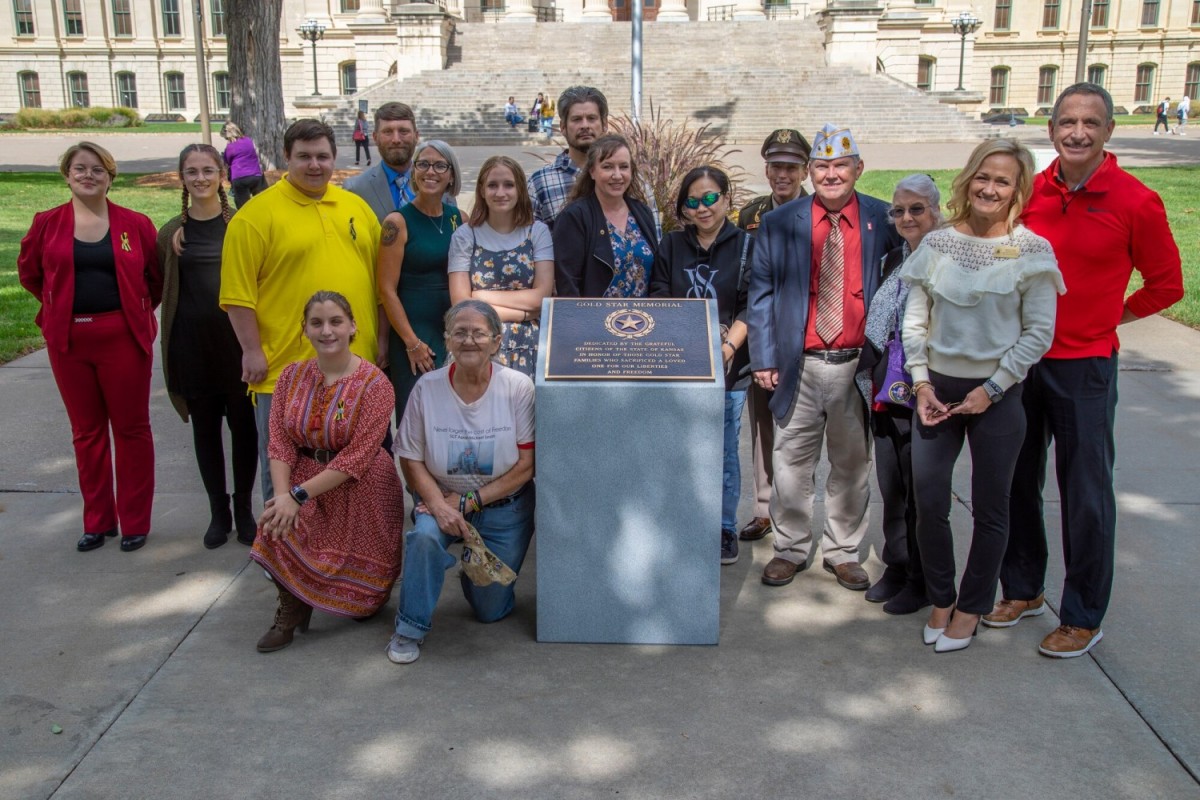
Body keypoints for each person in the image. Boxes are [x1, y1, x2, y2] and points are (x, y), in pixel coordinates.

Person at [990, 83, 1184, 658]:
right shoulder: (1029, 194)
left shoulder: (1135, 199)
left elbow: (1167, 284)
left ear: (1108, 131)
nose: (1077, 132)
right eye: (1067, 121)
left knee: (1085, 493)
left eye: (1091, 122)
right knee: (1017, 482)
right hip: (1020, 364)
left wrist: (1108, 316)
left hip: (1085, 367)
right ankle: (1022, 589)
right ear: (1050, 130)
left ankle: (1081, 615)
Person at [901, 138, 1064, 654]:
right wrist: (922, 381)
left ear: (1018, 190)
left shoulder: (1033, 251)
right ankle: (943, 599)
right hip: (936, 391)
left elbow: (1038, 333)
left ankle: (971, 608)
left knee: (993, 509)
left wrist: (992, 389)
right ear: (969, 179)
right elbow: (914, 320)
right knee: (929, 501)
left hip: (997, 395)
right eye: (983, 177)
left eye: (1003, 180)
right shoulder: (938, 244)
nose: (990, 188)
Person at [747, 123, 900, 591]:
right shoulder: (780, 221)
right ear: (811, 171)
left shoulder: (883, 220)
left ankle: (842, 550)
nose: (831, 175)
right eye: (822, 166)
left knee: (852, 463)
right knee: (792, 460)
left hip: (857, 364)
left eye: (840, 166)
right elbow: (761, 293)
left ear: (858, 168)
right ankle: (790, 547)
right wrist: (764, 357)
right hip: (801, 362)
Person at [221, 119, 383, 503]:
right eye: (304, 157)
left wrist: (383, 341)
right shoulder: (254, 217)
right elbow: (236, 295)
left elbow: (379, 284)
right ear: (285, 158)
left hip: (355, 369)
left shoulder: (355, 207)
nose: (315, 165)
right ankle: (282, 557)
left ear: (334, 158)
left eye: (323, 156)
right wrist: (251, 350)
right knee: (284, 471)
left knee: (356, 472)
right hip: (283, 371)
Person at [17, 141, 162, 552]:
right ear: (66, 175)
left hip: (123, 339)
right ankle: (98, 521)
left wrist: (132, 311)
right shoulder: (47, 223)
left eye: (97, 169)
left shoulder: (135, 224)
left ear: (110, 177)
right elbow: (30, 273)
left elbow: (154, 278)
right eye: (79, 169)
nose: (88, 175)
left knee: (132, 430)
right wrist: (58, 306)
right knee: (86, 432)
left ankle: (134, 521)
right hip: (69, 341)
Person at [252, 291, 404, 653]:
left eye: (336, 321)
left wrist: (297, 496)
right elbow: (279, 443)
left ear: (353, 326)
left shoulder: (375, 384)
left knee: (364, 605)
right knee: (274, 523)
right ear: (304, 329)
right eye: (316, 323)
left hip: (362, 485)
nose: (327, 331)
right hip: (303, 474)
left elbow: (358, 457)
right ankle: (293, 606)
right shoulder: (290, 376)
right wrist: (283, 496)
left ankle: (351, 593)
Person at [387, 299, 536, 665]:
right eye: (460, 333)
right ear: (447, 341)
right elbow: (411, 456)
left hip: (502, 504)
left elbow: (525, 466)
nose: (469, 341)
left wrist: (466, 502)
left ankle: (472, 572)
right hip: (442, 497)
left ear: (497, 342)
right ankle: (409, 627)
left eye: (479, 333)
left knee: (490, 610)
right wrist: (437, 504)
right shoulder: (427, 387)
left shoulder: (518, 387)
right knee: (423, 537)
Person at [157, 143, 258, 549]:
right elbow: (158, 283)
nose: (200, 178)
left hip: (236, 347)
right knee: (206, 431)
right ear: (182, 178)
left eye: (208, 170)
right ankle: (219, 512)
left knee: (244, 430)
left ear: (222, 175)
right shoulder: (170, 234)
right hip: (191, 347)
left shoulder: (243, 224)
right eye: (192, 171)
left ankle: (244, 509)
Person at [650, 167, 752, 566]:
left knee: (724, 451)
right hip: (679, 366)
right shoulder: (671, 246)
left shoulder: (746, 245)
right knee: (678, 449)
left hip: (729, 369)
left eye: (710, 197)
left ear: (727, 198)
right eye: (693, 201)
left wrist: (727, 347)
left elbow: (752, 304)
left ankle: (724, 528)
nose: (703, 207)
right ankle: (683, 521)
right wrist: (684, 340)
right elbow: (658, 293)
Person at [853, 174, 941, 614]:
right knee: (892, 484)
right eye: (899, 210)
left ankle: (924, 578)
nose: (906, 217)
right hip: (887, 386)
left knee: (920, 488)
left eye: (917, 209)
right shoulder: (895, 258)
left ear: (936, 211)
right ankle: (898, 564)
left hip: (925, 388)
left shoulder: (945, 257)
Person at [735, 128, 812, 544]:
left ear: (805, 170)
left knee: (804, 433)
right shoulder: (750, 214)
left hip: (808, 337)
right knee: (764, 427)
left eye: (791, 167)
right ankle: (764, 509)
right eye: (775, 166)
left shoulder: (820, 209)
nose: (782, 175)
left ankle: (796, 512)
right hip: (762, 337)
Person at [377, 139, 464, 422]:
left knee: (454, 416)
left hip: (452, 329)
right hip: (413, 334)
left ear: (451, 175)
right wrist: (411, 342)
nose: (431, 171)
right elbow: (386, 289)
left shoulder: (459, 218)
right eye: (424, 164)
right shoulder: (397, 223)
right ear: (414, 171)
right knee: (417, 418)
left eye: (440, 165)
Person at [449, 156, 554, 377]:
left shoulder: (537, 232)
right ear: (482, 190)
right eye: (492, 185)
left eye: (508, 185)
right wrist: (525, 314)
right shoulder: (466, 235)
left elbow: (542, 297)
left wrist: (480, 297)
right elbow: (460, 303)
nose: (500, 192)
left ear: (520, 190)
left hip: (530, 345)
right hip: (477, 341)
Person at [553, 133, 658, 298]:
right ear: (592, 172)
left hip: (642, 320)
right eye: (607, 167)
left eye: (623, 167)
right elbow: (567, 283)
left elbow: (657, 276)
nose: (617, 175)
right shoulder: (574, 217)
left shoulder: (643, 212)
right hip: (594, 320)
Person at [529, 85, 608, 228]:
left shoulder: (628, 179)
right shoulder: (539, 183)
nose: (585, 125)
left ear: (605, 125)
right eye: (576, 119)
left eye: (591, 118)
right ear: (563, 127)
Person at [344, 102, 421, 222]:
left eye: (403, 131)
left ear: (416, 136)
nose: (396, 139)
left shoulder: (440, 185)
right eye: (388, 132)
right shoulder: (355, 189)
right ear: (375, 137)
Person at [218, 122, 267, 208]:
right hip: (256, 175)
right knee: (261, 201)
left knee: (243, 205)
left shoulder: (230, 146)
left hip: (240, 177)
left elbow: (227, 161)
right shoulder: (249, 140)